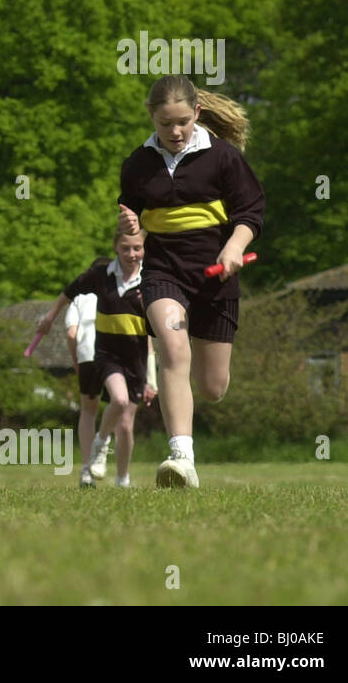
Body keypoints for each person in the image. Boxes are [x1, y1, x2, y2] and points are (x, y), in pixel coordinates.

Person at [117, 75, 264, 489]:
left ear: (198, 113)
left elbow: (251, 212)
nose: (175, 131)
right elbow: (133, 214)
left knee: (213, 387)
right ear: (152, 118)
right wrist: (129, 222)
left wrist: (234, 246)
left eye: (182, 121)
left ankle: (187, 442)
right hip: (165, 271)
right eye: (166, 124)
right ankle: (181, 457)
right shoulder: (137, 163)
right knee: (172, 342)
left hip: (216, 279)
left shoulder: (223, 158)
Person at [34, 231, 157, 488]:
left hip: (136, 358)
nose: (132, 254)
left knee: (126, 423)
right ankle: (100, 445)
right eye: (125, 248)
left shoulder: (152, 279)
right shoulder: (101, 276)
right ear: (115, 247)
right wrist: (49, 317)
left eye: (137, 248)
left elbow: (151, 336)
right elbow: (69, 291)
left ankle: (123, 478)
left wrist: (152, 378)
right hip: (106, 354)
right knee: (119, 400)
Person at [64, 261, 110, 481]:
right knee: (119, 409)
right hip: (114, 354)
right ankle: (122, 473)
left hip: (87, 354)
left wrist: (75, 359)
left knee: (88, 411)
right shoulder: (116, 292)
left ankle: (86, 468)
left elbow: (72, 333)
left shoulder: (79, 297)